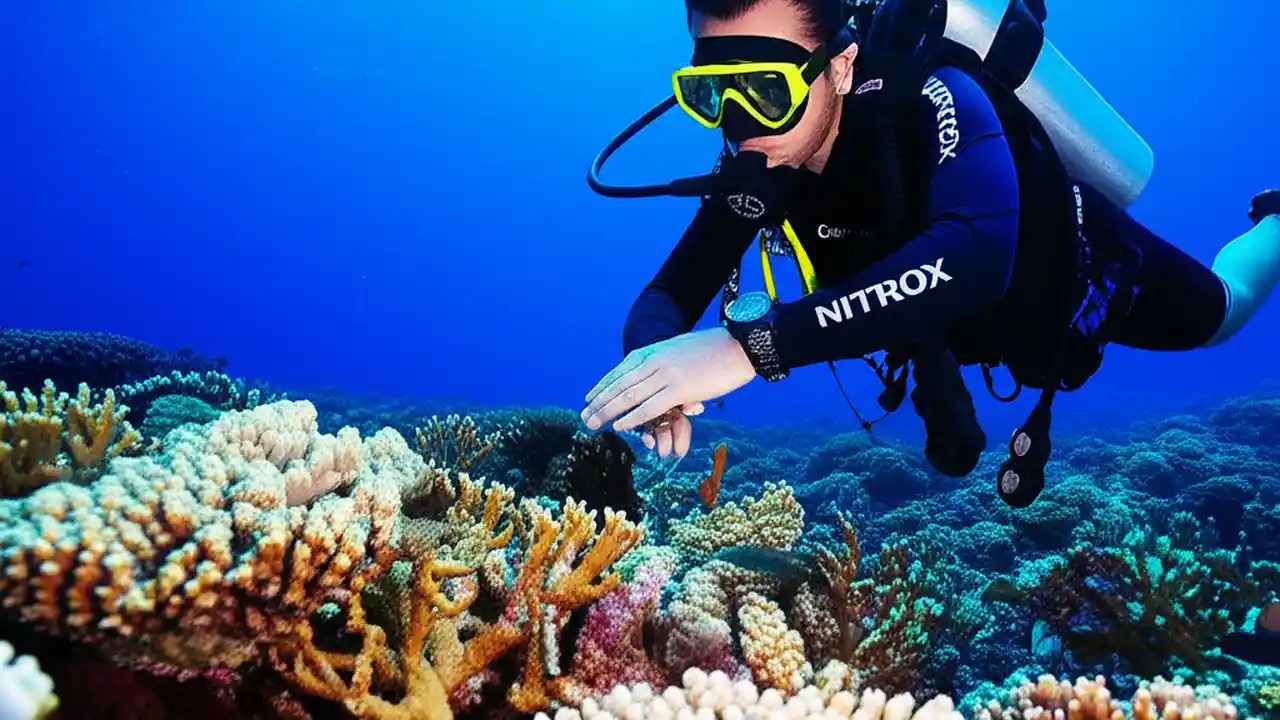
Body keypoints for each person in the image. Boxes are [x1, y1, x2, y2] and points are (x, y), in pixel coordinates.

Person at [579, 0, 1280, 506]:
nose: (739, 129)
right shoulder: (766, 163)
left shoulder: (934, 93)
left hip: (1073, 269)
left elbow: (976, 252)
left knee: (1221, 313)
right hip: (940, 325)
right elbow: (668, 293)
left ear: (842, 66)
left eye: (766, 90)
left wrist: (746, 350)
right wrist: (653, 370)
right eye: (712, 94)